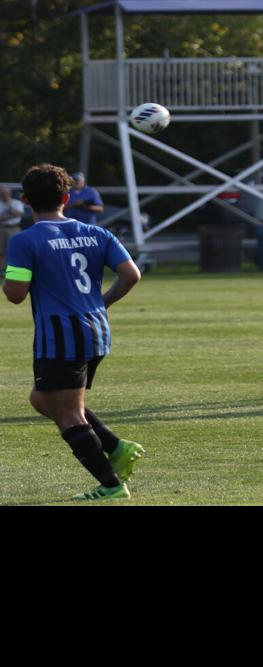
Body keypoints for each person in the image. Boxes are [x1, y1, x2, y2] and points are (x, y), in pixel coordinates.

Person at [3, 164, 145, 501]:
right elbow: (131, 275)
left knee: (66, 413)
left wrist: (14, 274)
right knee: (42, 399)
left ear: (25, 200)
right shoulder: (98, 234)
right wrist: (102, 303)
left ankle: (110, 484)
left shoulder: (25, 240)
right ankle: (115, 446)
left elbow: (15, 293)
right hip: (96, 331)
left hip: (59, 337)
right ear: (67, 197)